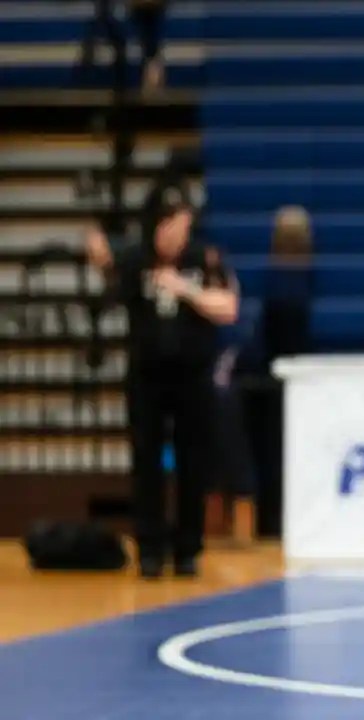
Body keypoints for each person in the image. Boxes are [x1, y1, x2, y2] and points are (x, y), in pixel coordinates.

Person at [86, 184, 240, 578]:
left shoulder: (203, 258)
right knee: (147, 462)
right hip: (147, 376)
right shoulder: (136, 260)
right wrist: (102, 262)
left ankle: (187, 548)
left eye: (183, 228)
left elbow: (228, 308)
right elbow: (110, 287)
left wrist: (185, 289)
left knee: (194, 461)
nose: (176, 237)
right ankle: (150, 547)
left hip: (193, 376)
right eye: (170, 228)